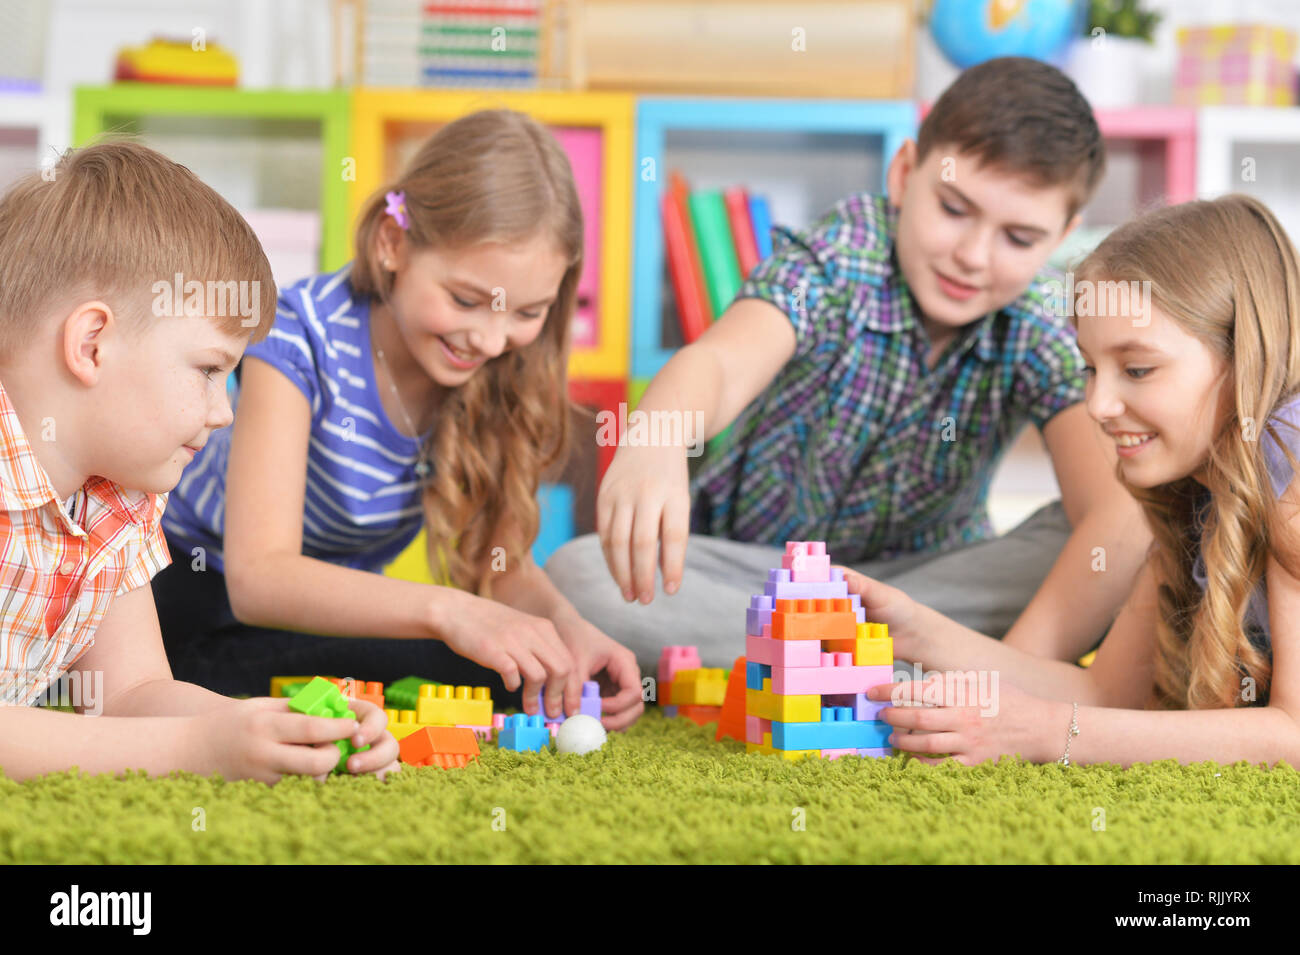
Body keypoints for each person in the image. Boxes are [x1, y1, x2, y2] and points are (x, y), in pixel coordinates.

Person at [547, 57, 1149, 671]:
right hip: (756, 578)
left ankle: (889, 658)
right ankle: (892, 663)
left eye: (1018, 238)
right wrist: (657, 439)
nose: (972, 255)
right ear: (905, 174)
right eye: (953, 209)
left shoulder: (1034, 323)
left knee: (1120, 541)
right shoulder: (842, 256)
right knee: (579, 575)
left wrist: (1013, 674)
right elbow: (722, 364)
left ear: (1061, 235)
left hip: (921, 588)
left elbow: (1112, 513)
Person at [154, 110, 643, 729]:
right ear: (393, 244)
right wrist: (450, 611)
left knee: (509, 667)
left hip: (324, 613)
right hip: (194, 591)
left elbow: (496, 560)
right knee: (455, 647)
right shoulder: (299, 336)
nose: (491, 339)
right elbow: (260, 578)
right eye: (466, 300)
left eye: (528, 312)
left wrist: (565, 630)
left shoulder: (492, 368)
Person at [0, 141, 397, 783]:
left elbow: (131, 695)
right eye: (209, 371)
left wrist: (268, 727)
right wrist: (193, 752)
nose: (224, 412)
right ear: (92, 345)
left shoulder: (119, 498)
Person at [863, 195, 1300, 766]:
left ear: (1246, 358)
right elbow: (1100, 694)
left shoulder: (1290, 477)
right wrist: (911, 631)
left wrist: (1046, 734)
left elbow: (1293, 735)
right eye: (1090, 369)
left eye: (1137, 369)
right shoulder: (1195, 494)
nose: (1097, 404)